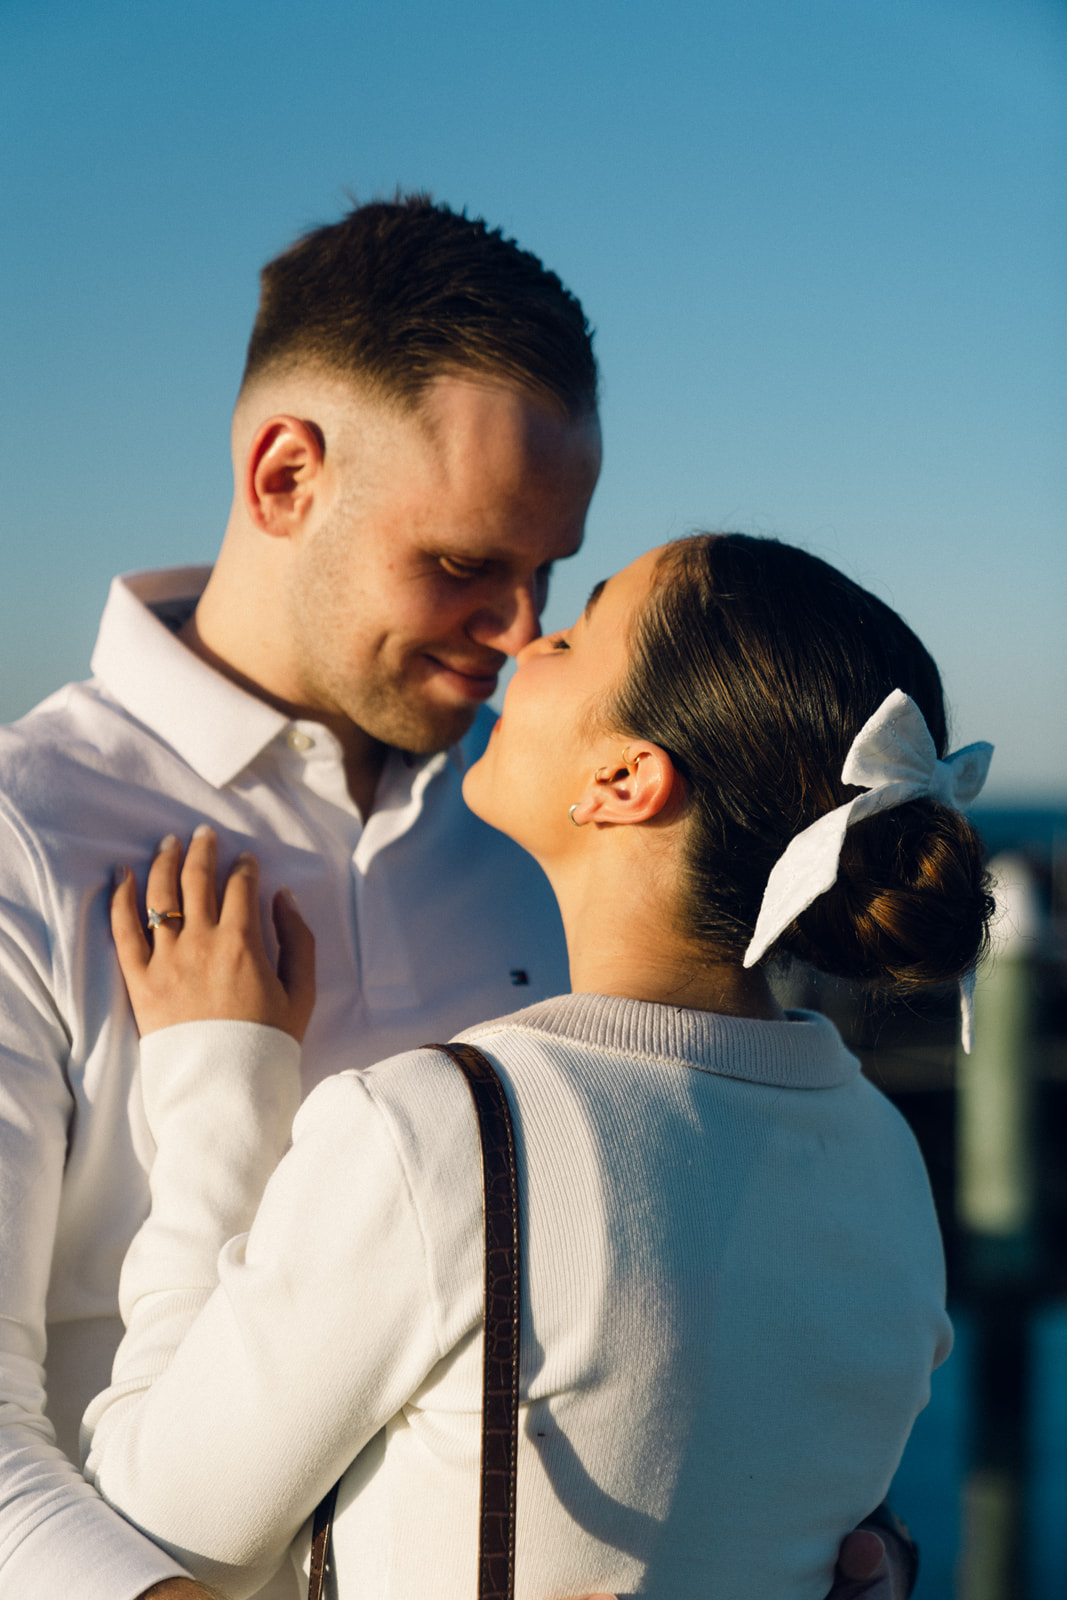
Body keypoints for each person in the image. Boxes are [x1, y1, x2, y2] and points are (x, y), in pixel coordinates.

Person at [85, 533, 994, 1599]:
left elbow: (154, 1523)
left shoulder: (442, 1129)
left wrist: (217, 1079)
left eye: (566, 636)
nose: (521, 640)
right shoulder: (883, 1153)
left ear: (621, 778)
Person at [0, 196, 600, 1600]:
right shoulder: (26, 835)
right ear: (283, 477)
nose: (519, 633)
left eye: (545, 572)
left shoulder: (533, 865)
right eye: (464, 567)